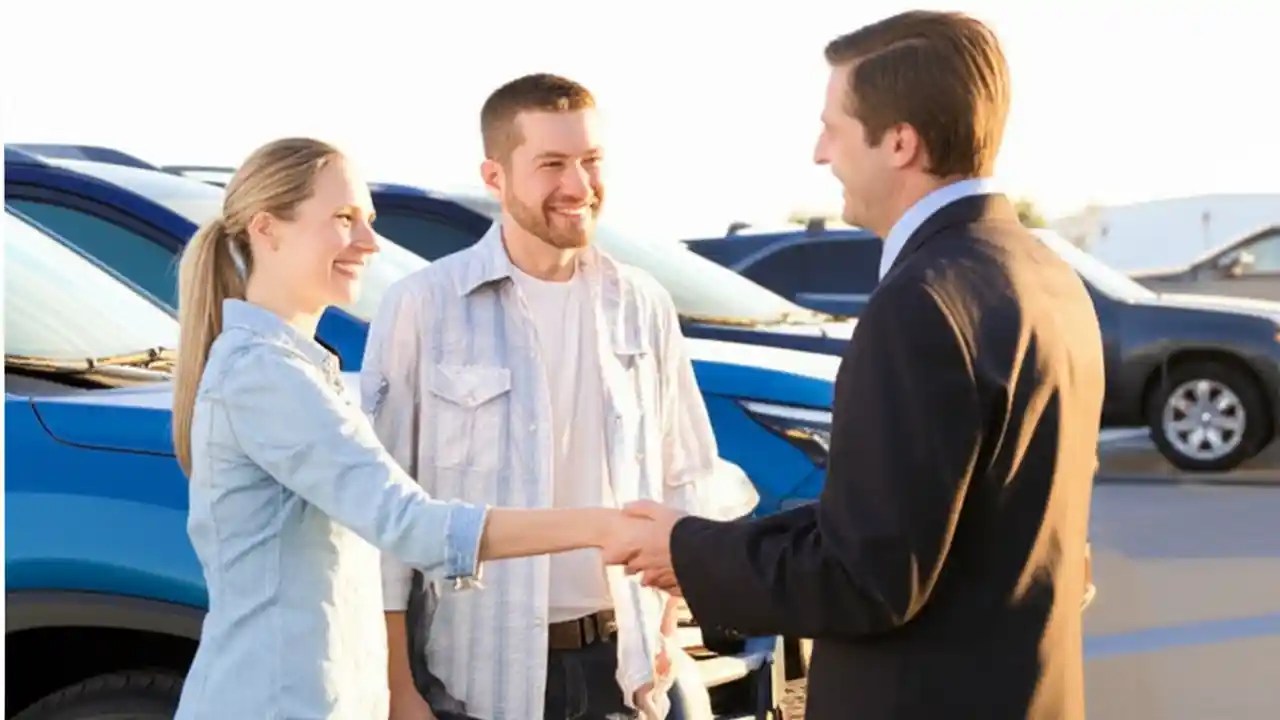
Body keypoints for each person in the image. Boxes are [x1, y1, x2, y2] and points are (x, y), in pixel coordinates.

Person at [618, 11, 1105, 720]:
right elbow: (933, 521)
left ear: (900, 143)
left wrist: (686, 554)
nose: (821, 153)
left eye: (833, 127)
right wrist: (706, 541)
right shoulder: (1047, 276)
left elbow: (867, 576)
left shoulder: (922, 303)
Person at [169, 137, 645, 720]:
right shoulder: (264, 375)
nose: (369, 243)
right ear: (267, 230)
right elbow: (412, 526)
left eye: (368, 220)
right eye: (344, 220)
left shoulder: (299, 369)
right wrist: (598, 525)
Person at [363, 74, 756, 720]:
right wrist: (397, 690)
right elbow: (384, 520)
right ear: (495, 177)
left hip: (620, 675)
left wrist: (662, 634)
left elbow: (686, 478)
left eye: (591, 161)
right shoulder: (422, 308)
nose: (578, 185)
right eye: (551, 164)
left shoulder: (642, 305)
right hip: (474, 685)